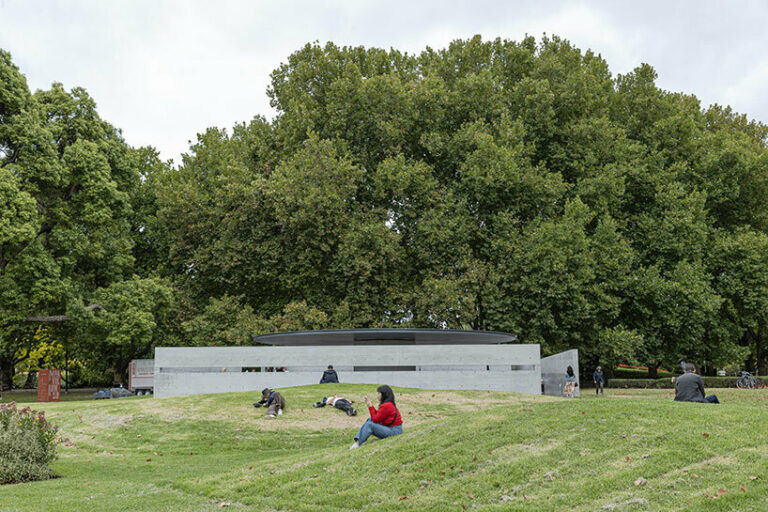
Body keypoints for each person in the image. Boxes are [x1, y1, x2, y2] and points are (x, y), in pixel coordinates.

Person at [349, 385, 402, 449]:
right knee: (370, 419)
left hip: (395, 431)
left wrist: (370, 406)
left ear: (384, 395)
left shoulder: (387, 405)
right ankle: (359, 440)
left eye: (379, 393)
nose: (377, 395)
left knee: (369, 425)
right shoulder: (387, 404)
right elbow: (377, 416)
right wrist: (370, 405)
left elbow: (376, 420)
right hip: (391, 428)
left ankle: (358, 443)